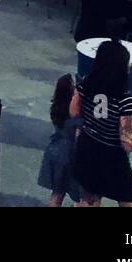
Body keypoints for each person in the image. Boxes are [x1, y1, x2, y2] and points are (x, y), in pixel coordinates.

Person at [70, 39, 132, 206]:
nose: (130, 66)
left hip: (87, 149)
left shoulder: (84, 84)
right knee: (129, 202)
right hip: (112, 159)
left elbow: (74, 112)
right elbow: (127, 143)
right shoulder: (125, 101)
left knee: (89, 199)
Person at [38, 75, 83, 207]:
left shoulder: (56, 108)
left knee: (57, 194)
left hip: (54, 151)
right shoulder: (76, 118)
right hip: (69, 156)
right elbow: (78, 139)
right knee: (81, 197)